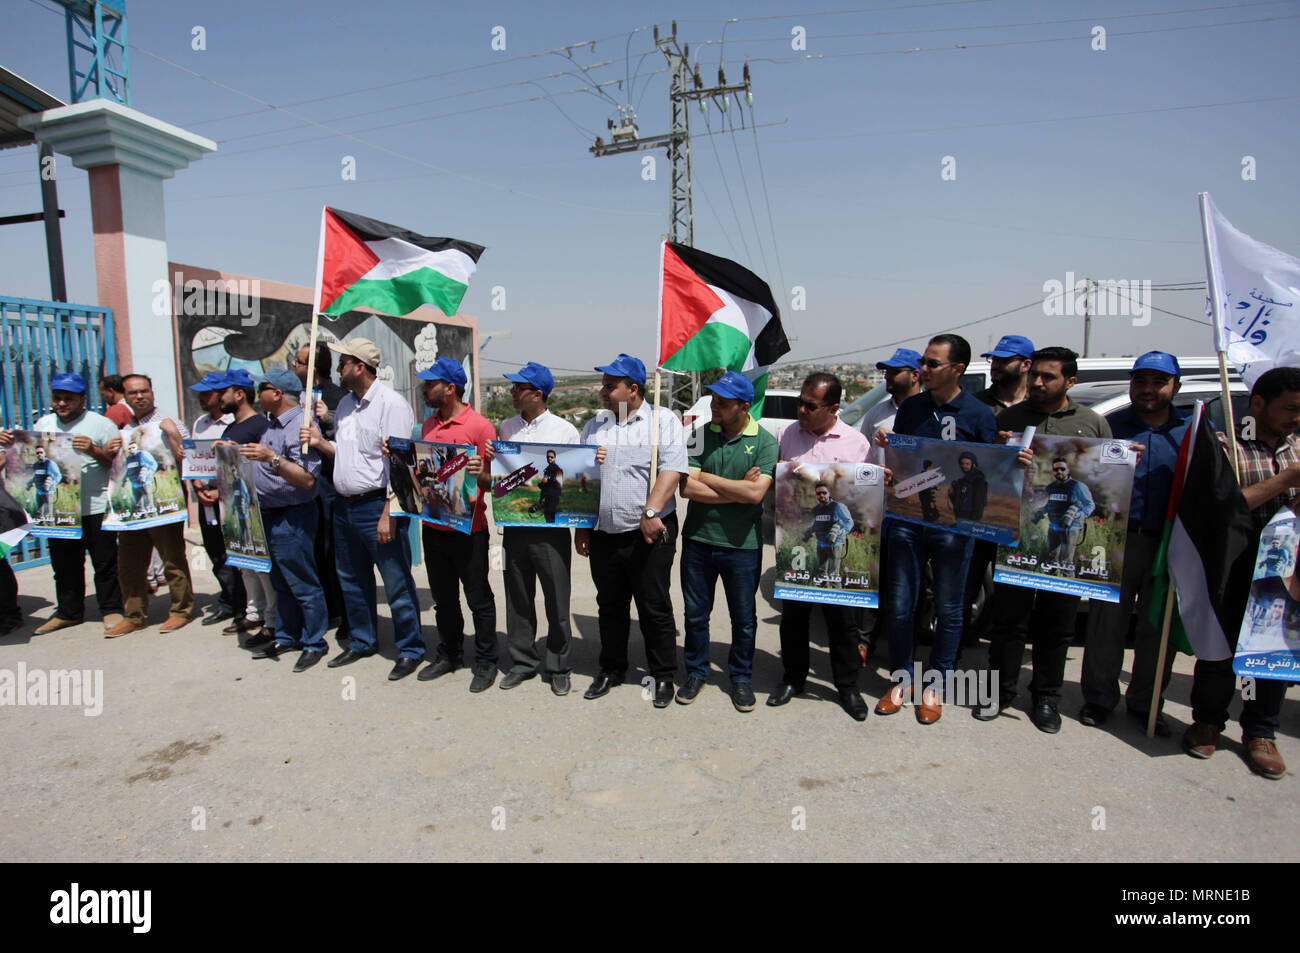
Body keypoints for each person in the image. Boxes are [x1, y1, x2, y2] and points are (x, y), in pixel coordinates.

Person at [975, 346, 1110, 731]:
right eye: (1034, 375)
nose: (1037, 382)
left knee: (1057, 624)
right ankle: (998, 692)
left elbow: (1102, 485)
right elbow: (992, 481)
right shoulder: (1012, 418)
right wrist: (1001, 455)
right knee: (1009, 621)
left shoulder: (1092, 424)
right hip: (1018, 539)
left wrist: (1122, 458)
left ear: (1070, 381)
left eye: (1048, 377)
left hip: (1064, 544)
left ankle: (1046, 698)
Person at [873, 334, 999, 724]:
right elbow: (904, 461)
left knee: (949, 607)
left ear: (957, 369)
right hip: (908, 520)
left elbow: (991, 473)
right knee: (899, 606)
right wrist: (888, 451)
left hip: (954, 528)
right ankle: (901, 680)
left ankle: (937, 684)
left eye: (932, 364)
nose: (922, 370)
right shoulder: (911, 408)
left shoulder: (979, 415)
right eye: (922, 363)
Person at [1183, 365, 1300, 779]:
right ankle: (1208, 720)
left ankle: (1261, 731)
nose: (1295, 417)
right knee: (1221, 643)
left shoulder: (1298, 446)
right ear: (1258, 404)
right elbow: (1224, 509)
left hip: (1284, 567)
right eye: (1289, 408)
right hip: (1233, 559)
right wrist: (1285, 481)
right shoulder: (1224, 444)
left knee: (1275, 646)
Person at [300, 338, 425, 680]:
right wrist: (320, 443)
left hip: (376, 506)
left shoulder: (391, 405)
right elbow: (348, 454)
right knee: (352, 580)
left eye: (343, 363)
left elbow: (399, 464)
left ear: (359, 366)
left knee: (396, 581)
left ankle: (410, 648)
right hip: (345, 507)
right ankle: (362, 639)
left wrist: (390, 511)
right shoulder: (344, 408)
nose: (337, 369)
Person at [1080, 352, 1190, 735]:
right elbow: (1080, 471)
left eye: (1158, 382)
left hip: (1168, 545)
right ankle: (1098, 698)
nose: (1147, 390)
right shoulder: (1110, 426)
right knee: (1105, 625)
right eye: (1140, 381)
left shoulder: (1192, 431)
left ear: (1176, 386)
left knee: (1156, 629)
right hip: (1115, 539)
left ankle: (1147, 705)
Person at [576, 354, 688, 708]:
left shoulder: (662, 422)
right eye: (604, 385)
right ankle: (612, 668)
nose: (603, 392)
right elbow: (582, 478)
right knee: (609, 605)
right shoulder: (595, 425)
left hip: (648, 533)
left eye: (610, 386)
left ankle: (663, 674)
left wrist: (651, 510)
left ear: (633, 389)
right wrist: (581, 527)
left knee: (653, 606)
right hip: (604, 533)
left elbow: (671, 471)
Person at [768, 371, 873, 720]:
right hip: (799, 536)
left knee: (841, 620)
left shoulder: (856, 442)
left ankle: (847, 687)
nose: (801, 410)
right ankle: (793, 679)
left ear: (834, 408)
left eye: (810, 406)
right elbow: (779, 480)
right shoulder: (787, 434)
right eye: (800, 402)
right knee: (794, 616)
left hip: (836, 539)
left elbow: (861, 495)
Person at [677, 371, 777, 712]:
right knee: (695, 615)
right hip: (698, 541)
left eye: (723, 402)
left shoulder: (764, 442)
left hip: (742, 546)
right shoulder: (700, 435)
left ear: (744, 406)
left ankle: (741, 678)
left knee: (744, 618)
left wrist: (708, 478)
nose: (714, 406)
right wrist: (736, 490)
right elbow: (687, 488)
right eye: (714, 399)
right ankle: (696, 672)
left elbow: (756, 494)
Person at [0, 373, 124, 634]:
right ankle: (69, 612)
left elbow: (116, 466)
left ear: (83, 399)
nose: (62, 403)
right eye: (58, 398)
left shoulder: (101, 425)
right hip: (60, 510)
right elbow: (28, 461)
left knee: (105, 562)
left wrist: (93, 450)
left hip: (96, 505)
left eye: (69, 398)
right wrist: (10, 447)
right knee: (64, 563)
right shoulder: (44, 422)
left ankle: (111, 609)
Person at [412, 356, 499, 692]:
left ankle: (487, 661)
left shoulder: (480, 427)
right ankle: (449, 654)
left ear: (450, 388)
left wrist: (480, 478)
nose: (423, 389)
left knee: (478, 599)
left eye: (429, 384)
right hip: (433, 525)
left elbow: (494, 482)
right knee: (444, 599)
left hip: (468, 530)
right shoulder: (427, 426)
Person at [497, 361, 580, 695]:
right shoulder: (506, 427)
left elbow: (573, 476)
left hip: (551, 526)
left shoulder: (564, 431)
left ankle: (559, 664)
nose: (512, 393)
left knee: (557, 599)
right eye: (513, 388)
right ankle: (522, 661)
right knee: (518, 596)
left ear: (538, 394)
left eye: (519, 388)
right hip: (515, 524)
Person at [243, 370, 329, 672]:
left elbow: (306, 479)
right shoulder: (272, 426)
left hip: (292, 516)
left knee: (302, 580)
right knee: (281, 580)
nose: (256, 392)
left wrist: (272, 459)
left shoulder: (300, 428)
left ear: (277, 393)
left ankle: (314, 641)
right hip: (270, 513)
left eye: (261, 387)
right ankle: (287, 634)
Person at [107, 373, 195, 637]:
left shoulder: (169, 423)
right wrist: (112, 450)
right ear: (125, 396)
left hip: (165, 501)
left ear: (152, 392)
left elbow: (190, 459)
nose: (139, 396)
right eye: (133, 393)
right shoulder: (125, 431)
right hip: (134, 506)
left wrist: (175, 437)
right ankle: (134, 615)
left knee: (172, 559)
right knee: (129, 563)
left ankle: (181, 610)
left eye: (144, 391)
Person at [215, 370, 276, 646]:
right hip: (233, 505)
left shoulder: (259, 425)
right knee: (245, 564)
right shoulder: (231, 427)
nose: (218, 397)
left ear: (239, 394)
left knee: (262, 565)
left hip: (253, 504)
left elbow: (265, 461)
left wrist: (236, 452)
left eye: (223, 392)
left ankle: (272, 619)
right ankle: (253, 612)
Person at [294, 342, 350, 639]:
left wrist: (327, 420)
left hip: (328, 488)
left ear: (312, 368)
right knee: (311, 549)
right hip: (300, 489)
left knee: (331, 551)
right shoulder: (295, 396)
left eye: (299, 363)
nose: (294, 367)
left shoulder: (338, 399)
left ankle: (340, 610)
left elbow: (347, 444)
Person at [189, 372, 244, 626]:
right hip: (206, 499)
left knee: (237, 554)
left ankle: (243, 607)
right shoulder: (200, 423)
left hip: (230, 498)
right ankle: (227, 602)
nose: (202, 398)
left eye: (207, 393)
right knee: (216, 554)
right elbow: (194, 460)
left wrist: (220, 490)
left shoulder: (234, 422)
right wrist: (197, 485)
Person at [1037, 458, 1095, 572]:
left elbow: (1090, 504)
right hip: (1053, 527)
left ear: (1068, 470)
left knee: (1066, 563)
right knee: (1051, 560)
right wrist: (1040, 511)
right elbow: (1050, 504)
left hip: (1070, 528)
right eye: (1056, 469)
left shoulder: (1078, 486)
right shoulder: (1051, 487)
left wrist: (1080, 514)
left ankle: (1066, 585)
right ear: (1053, 471)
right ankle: (1050, 585)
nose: (1059, 471)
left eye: (1062, 469)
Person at [807, 483, 853, 586]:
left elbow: (849, 522)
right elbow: (816, 524)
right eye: (819, 493)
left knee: (834, 575)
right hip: (821, 544)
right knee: (821, 573)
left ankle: (836, 598)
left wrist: (842, 531)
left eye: (824, 492)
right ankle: (823, 596)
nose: (822, 495)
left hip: (835, 544)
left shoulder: (838, 506)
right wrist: (809, 532)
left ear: (829, 493)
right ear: (816, 495)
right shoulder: (816, 509)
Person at [973, 334, 1035, 411]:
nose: (995, 365)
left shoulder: (1039, 404)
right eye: (994, 359)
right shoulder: (975, 403)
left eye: (1004, 360)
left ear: (1026, 365)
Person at [948, 451, 988, 522]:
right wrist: (951, 494)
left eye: (967, 464)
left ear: (974, 465)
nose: (964, 466)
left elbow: (978, 503)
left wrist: (973, 521)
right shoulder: (963, 481)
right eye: (962, 464)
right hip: (960, 515)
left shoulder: (978, 481)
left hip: (970, 517)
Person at [27, 446, 61, 523]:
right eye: (37, 453)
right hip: (38, 491)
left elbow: (58, 475)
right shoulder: (35, 465)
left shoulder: (50, 463)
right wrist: (30, 484)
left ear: (44, 453)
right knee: (38, 514)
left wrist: (53, 484)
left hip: (48, 492)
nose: (39, 454)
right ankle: (40, 532)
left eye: (41, 452)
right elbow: (35, 476)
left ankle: (51, 533)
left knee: (48, 515)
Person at [536, 450, 564, 523]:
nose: (549, 458)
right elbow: (545, 484)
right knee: (547, 517)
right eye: (548, 457)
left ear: (555, 458)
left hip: (553, 498)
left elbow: (559, 485)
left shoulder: (558, 470)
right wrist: (541, 484)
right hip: (546, 497)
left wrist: (547, 481)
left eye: (551, 457)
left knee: (551, 519)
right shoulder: (547, 469)